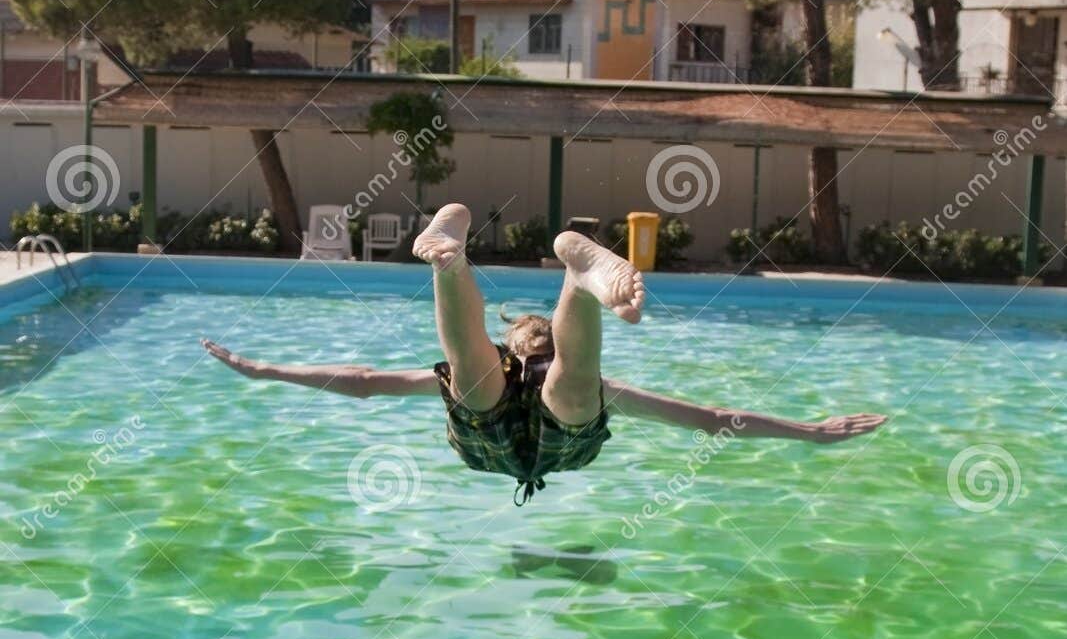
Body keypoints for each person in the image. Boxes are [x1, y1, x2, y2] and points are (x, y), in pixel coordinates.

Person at [203, 204, 886, 505]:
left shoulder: (498, 367)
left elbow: (360, 382)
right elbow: (709, 418)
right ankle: (576, 280)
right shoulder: (570, 378)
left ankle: (455, 263)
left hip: (490, 428)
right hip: (563, 425)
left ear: (518, 344)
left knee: (470, 372)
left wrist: (266, 371)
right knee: (563, 388)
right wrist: (807, 431)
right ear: (539, 345)